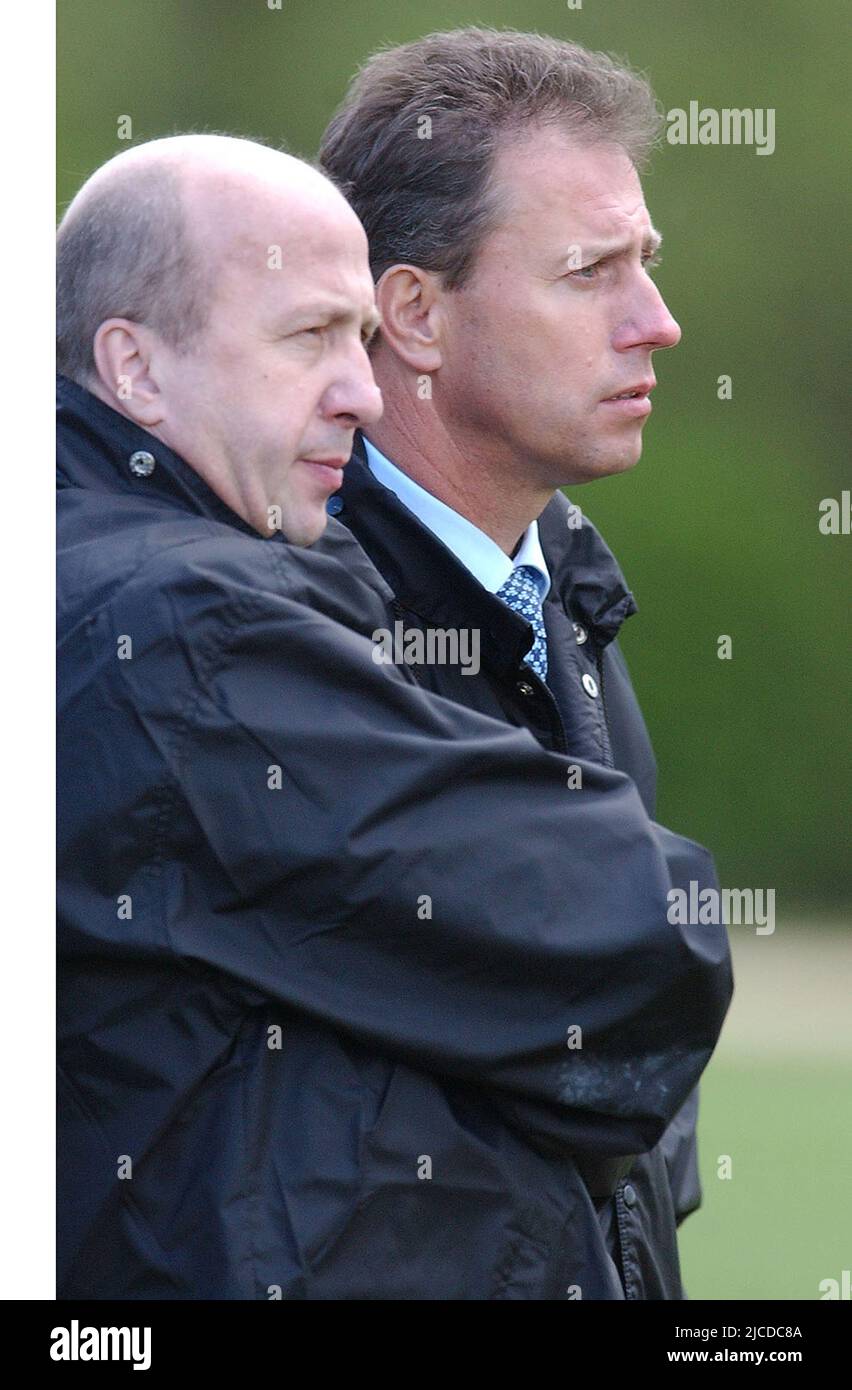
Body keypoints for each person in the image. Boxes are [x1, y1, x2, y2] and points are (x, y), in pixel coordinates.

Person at [57, 133, 732, 1300]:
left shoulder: (542, 601)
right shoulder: (181, 618)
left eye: (358, 339)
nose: (364, 392)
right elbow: (646, 941)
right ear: (136, 368)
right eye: (309, 337)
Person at [319, 27, 708, 1300]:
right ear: (415, 315)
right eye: (590, 271)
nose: (657, 321)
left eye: (644, 262)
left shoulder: (559, 588)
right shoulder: (298, 634)